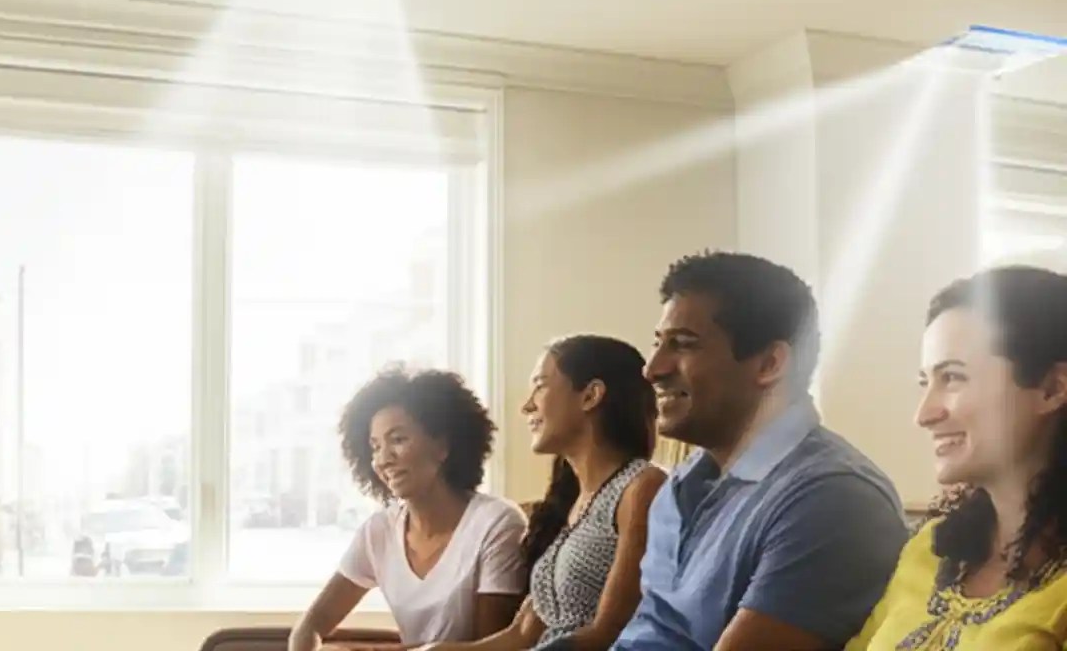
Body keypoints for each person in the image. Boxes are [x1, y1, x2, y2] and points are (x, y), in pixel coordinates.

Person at [612, 251, 908, 651]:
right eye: (658, 343)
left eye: (682, 345)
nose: (652, 369)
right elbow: (652, 635)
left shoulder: (833, 498)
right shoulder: (683, 483)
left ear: (769, 364)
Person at [848, 266, 1067, 650]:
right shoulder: (929, 549)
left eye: (952, 377)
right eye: (925, 382)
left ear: (1051, 388)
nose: (924, 414)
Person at [421, 334, 667, 651]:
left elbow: (608, 633)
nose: (527, 406)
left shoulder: (642, 487)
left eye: (540, 386)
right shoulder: (574, 504)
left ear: (590, 395)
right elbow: (522, 636)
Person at [289, 367, 526, 651]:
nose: (383, 459)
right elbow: (310, 626)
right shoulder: (378, 532)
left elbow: (489, 648)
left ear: (442, 446)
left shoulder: (497, 523)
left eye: (398, 440)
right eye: (375, 447)